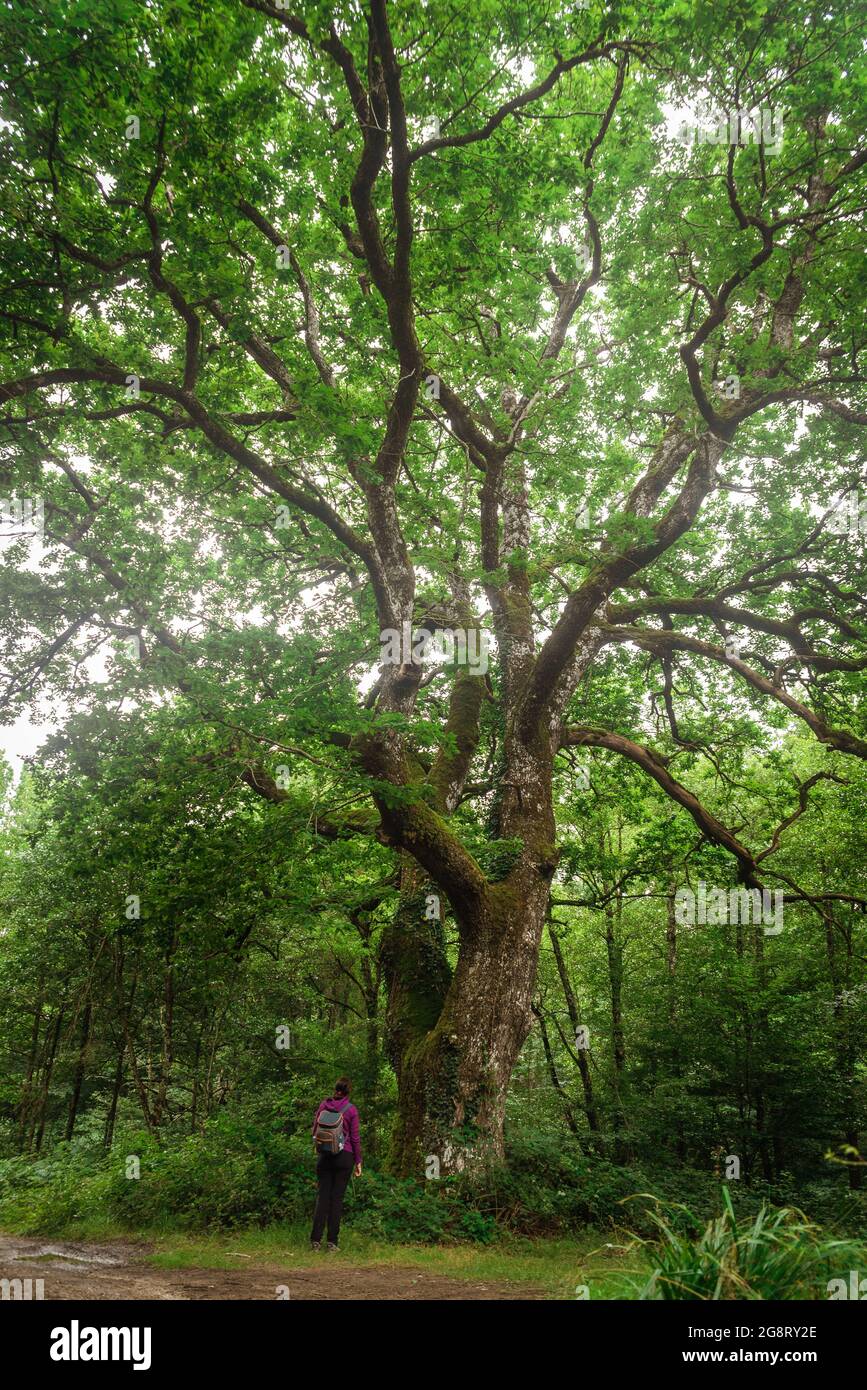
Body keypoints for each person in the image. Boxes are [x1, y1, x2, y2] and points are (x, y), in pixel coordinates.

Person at [310, 1076, 362, 1251]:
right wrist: (358, 1161)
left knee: (322, 1197)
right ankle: (332, 1242)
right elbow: (355, 1138)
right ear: (348, 1092)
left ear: (335, 1090)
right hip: (344, 1156)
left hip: (324, 1156)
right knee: (336, 1200)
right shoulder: (351, 1110)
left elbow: (314, 1130)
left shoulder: (323, 1105)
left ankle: (315, 1241)